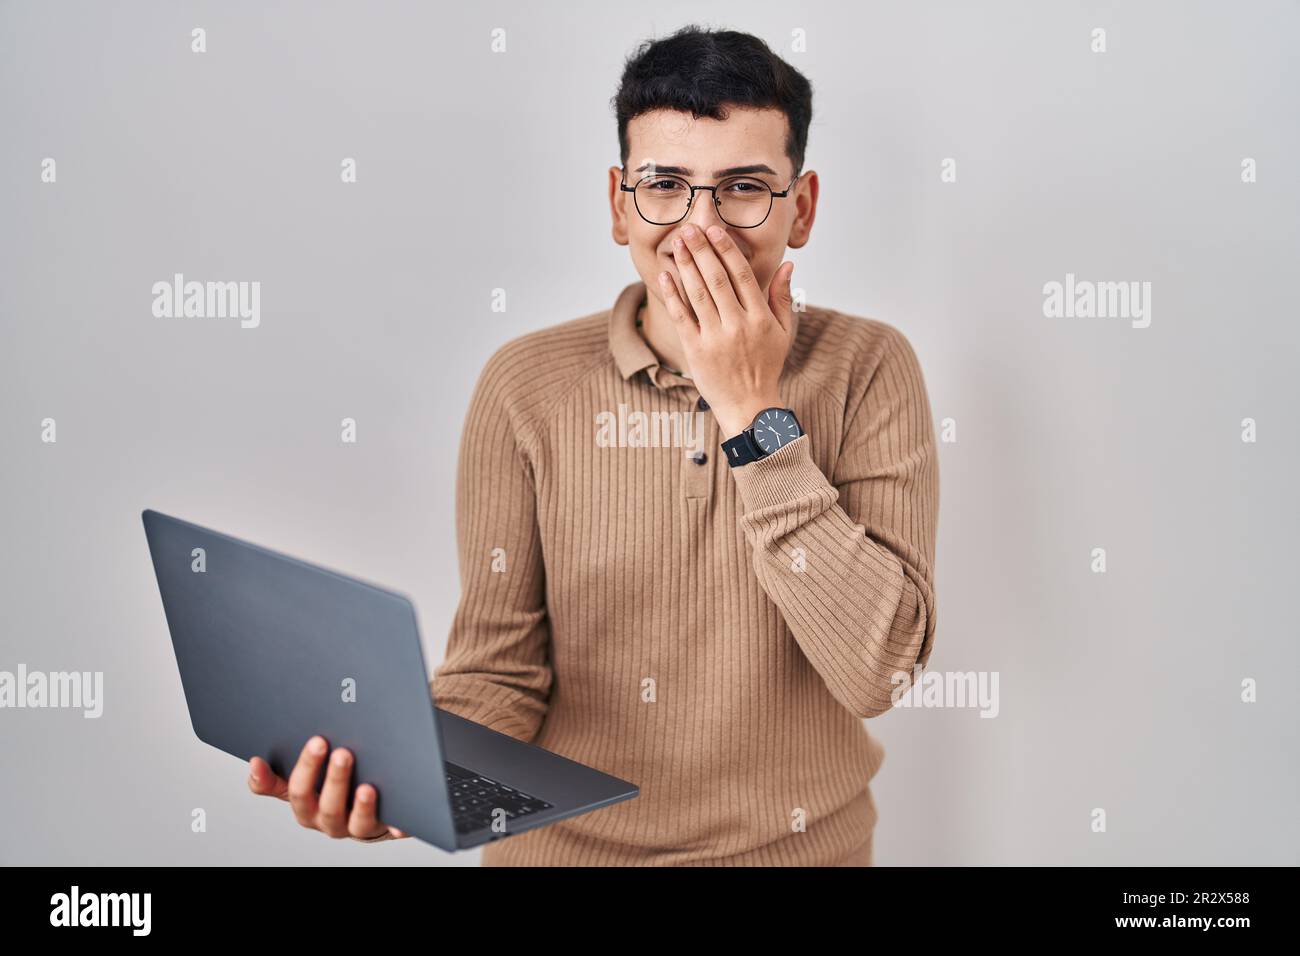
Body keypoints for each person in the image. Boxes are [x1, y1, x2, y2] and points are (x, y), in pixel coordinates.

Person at [249, 23, 939, 866]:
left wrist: (755, 416)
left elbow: (880, 674)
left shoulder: (871, 367)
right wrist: (404, 782)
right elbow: (501, 675)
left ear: (803, 208)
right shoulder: (524, 385)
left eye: (745, 187)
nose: (702, 227)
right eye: (666, 185)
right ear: (619, 204)